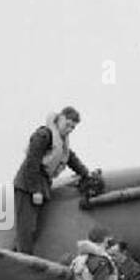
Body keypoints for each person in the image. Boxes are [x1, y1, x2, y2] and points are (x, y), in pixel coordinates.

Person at [12, 107, 91, 254]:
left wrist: (86, 173)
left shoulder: (61, 143)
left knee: (34, 228)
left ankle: (21, 253)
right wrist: (35, 190)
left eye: (72, 128)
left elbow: (71, 159)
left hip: (42, 186)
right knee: (26, 228)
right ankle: (23, 258)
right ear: (59, 118)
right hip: (27, 186)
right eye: (67, 124)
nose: (69, 129)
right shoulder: (44, 135)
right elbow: (32, 162)